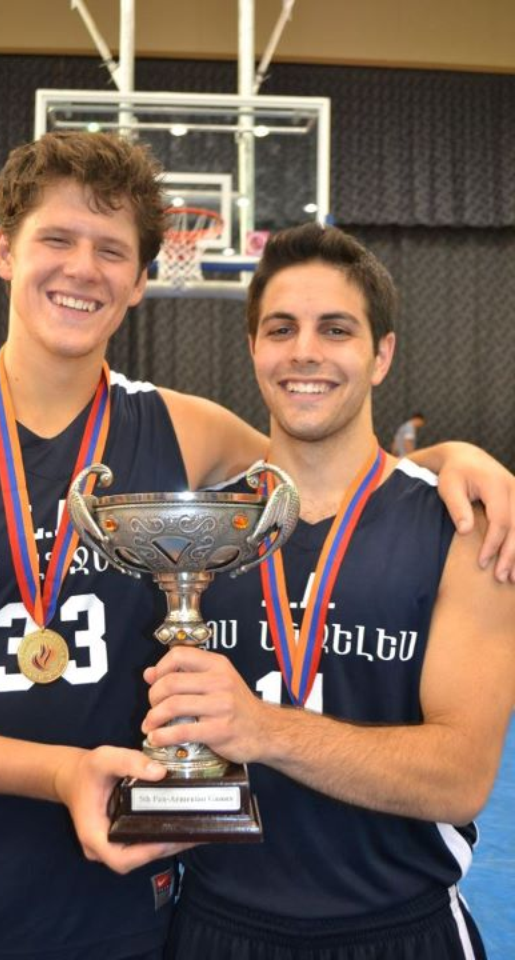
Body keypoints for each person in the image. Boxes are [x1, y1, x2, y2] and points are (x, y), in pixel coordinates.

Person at [0, 134, 513, 960]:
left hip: (123, 915)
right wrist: (57, 773)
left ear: (143, 280)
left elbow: (326, 469)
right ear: (3, 249)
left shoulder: (186, 432)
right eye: (56, 240)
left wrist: (450, 462)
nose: (82, 269)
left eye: (112, 250)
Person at [143, 224, 515, 960]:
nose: (305, 351)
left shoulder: (462, 527)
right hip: (215, 928)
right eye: (281, 329)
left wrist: (263, 729)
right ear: (253, 349)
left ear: (381, 355)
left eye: (336, 329)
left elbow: (460, 778)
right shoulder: (195, 534)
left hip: (400, 931)